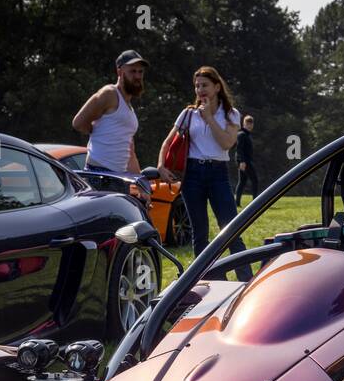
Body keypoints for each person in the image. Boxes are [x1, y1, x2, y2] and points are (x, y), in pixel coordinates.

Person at [159, 66, 252, 280]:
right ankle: (212, 282)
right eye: (197, 85)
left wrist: (209, 117)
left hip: (218, 173)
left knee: (231, 230)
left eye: (205, 85)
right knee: (199, 234)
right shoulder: (188, 113)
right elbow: (168, 141)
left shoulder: (231, 114)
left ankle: (246, 281)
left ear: (217, 87)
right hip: (192, 174)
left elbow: (227, 143)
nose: (200, 89)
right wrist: (161, 165)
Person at [72, 50, 148, 173]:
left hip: (119, 177)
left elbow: (130, 153)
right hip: (99, 173)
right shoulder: (110, 93)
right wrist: (93, 130)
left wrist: (141, 184)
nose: (138, 76)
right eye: (132, 71)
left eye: (140, 72)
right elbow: (78, 123)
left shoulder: (130, 110)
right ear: (119, 71)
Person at [234, 114, 258, 205]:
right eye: (248, 124)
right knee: (255, 180)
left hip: (245, 161)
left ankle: (236, 203)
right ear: (244, 124)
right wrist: (242, 162)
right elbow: (239, 149)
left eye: (251, 124)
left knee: (242, 182)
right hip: (244, 162)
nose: (250, 125)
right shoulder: (242, 134)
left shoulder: (247, 135)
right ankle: (256, 202)